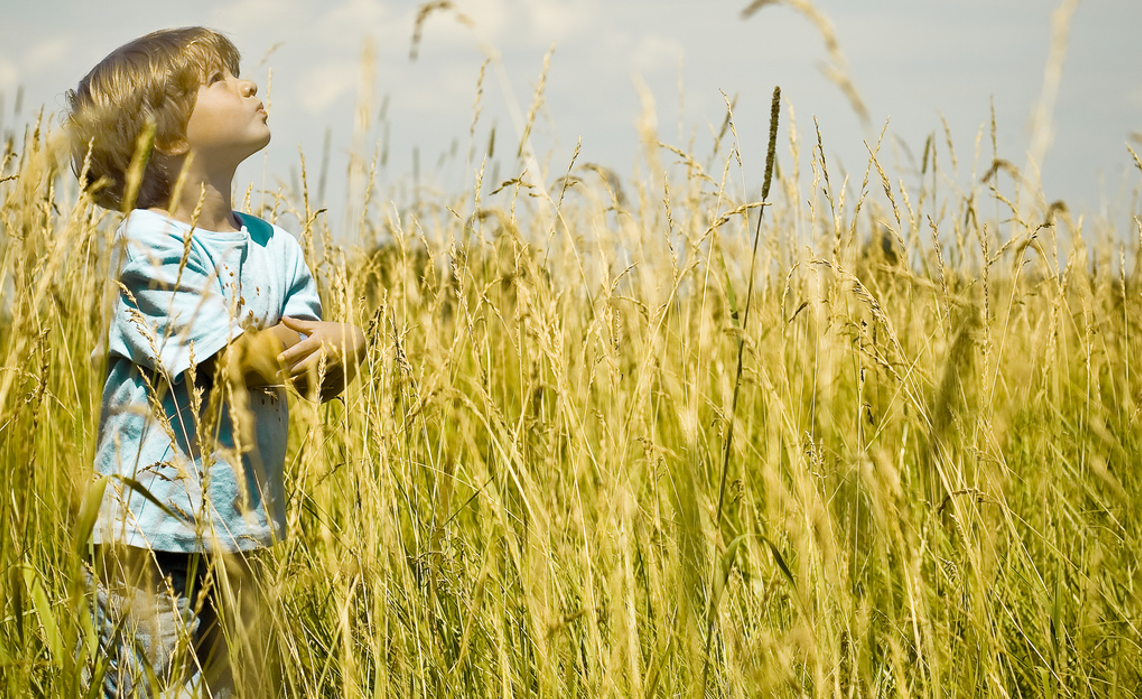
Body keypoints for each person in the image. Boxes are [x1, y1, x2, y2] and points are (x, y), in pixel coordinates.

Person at [66, 26, 367, 697]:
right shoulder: (146, 242)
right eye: (220, 79)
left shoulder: (275, 246)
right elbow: (236, 360)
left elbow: (316, 376)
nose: (248, 83)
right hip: (147, 536)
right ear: (167, 138)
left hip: (246, 531)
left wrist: (347, 348)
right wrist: (320, 339)